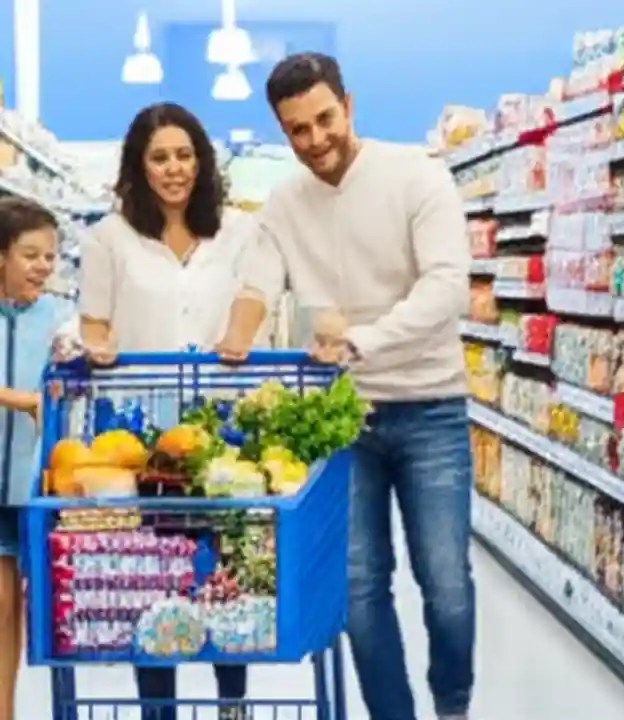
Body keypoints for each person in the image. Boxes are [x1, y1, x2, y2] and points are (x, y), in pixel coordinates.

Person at [216, 52, 475, 720]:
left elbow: (447, 287)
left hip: (430, 408)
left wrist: (361, 341)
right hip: (340, 419)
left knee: (445, 585)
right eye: (297, 129)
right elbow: (257, 283)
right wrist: (235, 341)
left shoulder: (416, 177)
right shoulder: (285, 201)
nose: (315, 140)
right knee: (358, 588)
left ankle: (453, 700)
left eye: (324, 119)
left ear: (349, 106)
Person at [78, 102, 259, 720]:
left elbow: (252, 301)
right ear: (138, 165)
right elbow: (94, 323)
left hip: (221, 434)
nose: (174, 168)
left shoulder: (236, 231)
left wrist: (237, 337)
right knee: (151, 582)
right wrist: (93, 347)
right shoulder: (108, 237)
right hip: (139, 434)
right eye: (159, 157)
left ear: (202, 161)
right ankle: (159, 710)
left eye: (184, 155)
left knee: (224, 576)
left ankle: (232, 703)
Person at [0, 196, 77, 720]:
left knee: (33, 613)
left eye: (51, 256)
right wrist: (18, 399)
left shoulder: (58, 320)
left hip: (34, 490)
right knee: (2, 608)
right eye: (31, 255)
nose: (44, 267)